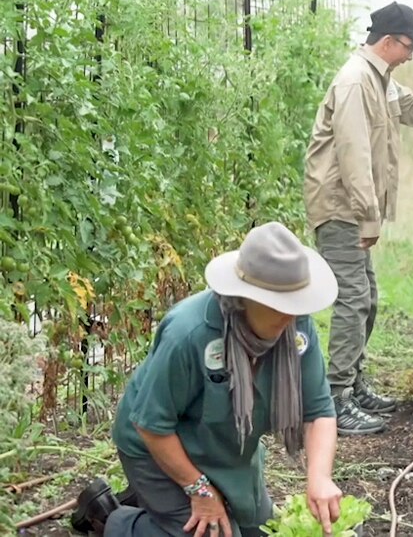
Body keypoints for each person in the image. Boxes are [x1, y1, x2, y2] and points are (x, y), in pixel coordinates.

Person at [72, 222, 342, 537]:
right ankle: (112, 521)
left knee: (262, 532)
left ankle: (162, 508)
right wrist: (199, 490)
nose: (293, 314)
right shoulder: (189, 333)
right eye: (282, 304)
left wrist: (320, 477)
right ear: (246, 298)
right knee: (213, 534)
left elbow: (319, 411)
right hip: (157, 445)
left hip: (225, 446)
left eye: (298, 301)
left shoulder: (295, 327)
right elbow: (152, 425)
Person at [303, 1, 413, 436]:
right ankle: (335, 399)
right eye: (408, 46)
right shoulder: (355, 82)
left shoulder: (380, 81)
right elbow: (353, 156)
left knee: (367, 299)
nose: (410, 54)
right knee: (353, 300)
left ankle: (353, 384)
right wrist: (369, 217)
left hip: (354, 208)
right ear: (387, 41)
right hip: (340, 207)